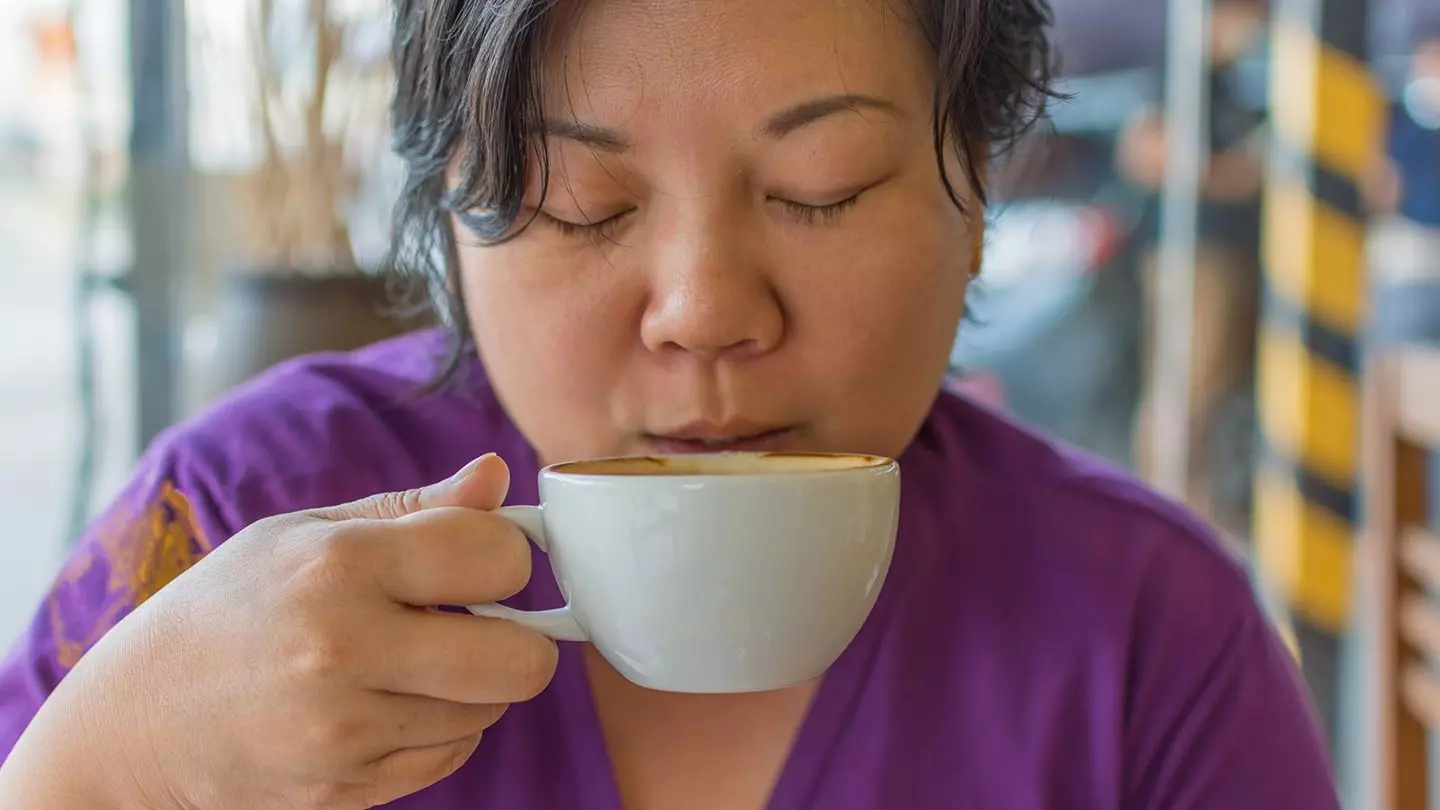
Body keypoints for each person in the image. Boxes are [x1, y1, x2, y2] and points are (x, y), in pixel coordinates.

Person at [0, 0, 1336, 807]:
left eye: (822, 187)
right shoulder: (237, 514)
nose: (702, 307)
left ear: (978, 194)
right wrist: (108, 772)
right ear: (449, 224)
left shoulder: (1148, 640)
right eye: (586, 203)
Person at [1118, 0, 1268, 541]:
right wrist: (1240, 175)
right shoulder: (1181, 73)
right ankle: (1166, 511)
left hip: (1235, 258)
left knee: (1217, 396)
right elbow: (1143, 153)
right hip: (1194, 258)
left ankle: (1196, 511)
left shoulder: (1244, 81)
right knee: (1184, 391)